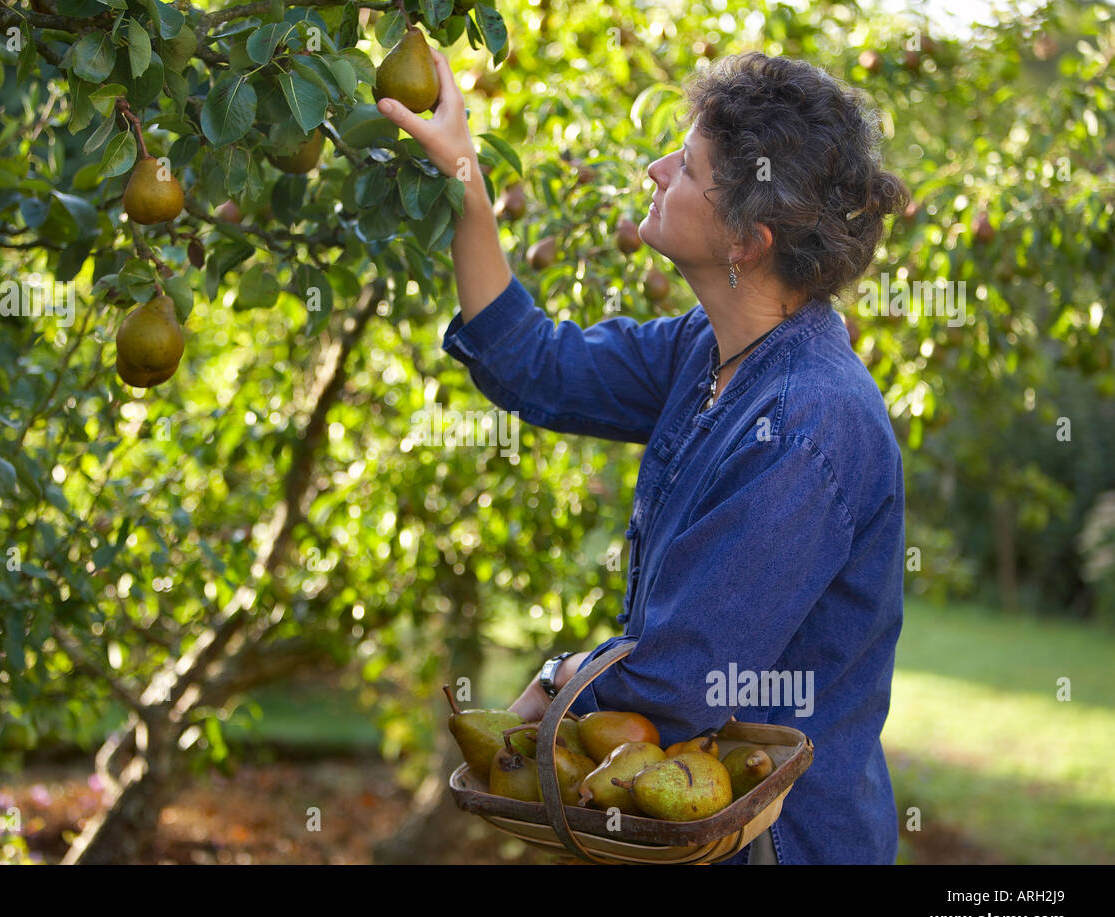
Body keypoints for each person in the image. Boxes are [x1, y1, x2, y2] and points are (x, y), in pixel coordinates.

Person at [377, 50, 910, 864]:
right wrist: (463, 178)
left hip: (778, 844)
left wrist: (558, 681)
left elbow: (683, 676)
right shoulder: (713, 351)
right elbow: (537, 366)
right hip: (694, 819)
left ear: (747, 239)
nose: (658, 170)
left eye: (688, 167)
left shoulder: (808, 423)